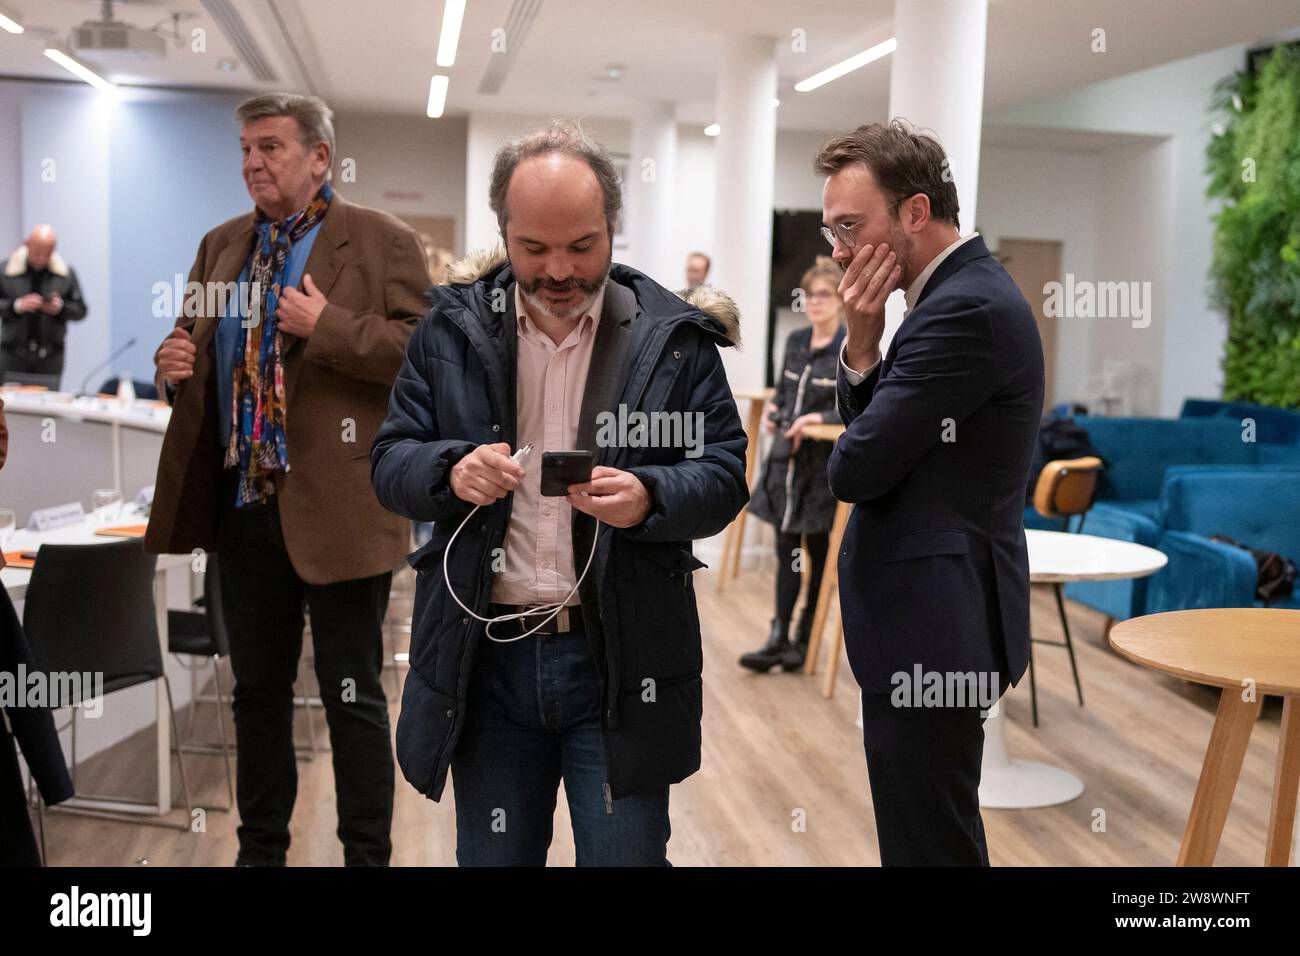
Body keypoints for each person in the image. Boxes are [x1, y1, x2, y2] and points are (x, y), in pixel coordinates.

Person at [371, 119, 748, 867]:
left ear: (613, 227)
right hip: (488, 662)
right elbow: (389, 463)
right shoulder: (448, 331)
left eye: (582, 247)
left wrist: (650, 495)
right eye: (533, 249)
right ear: (503, 233)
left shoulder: (672, 338)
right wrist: (449, 471)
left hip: (621, 658)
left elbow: (725, 474)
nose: (558, 271)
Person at [143, 92, 429, 866]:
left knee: (353, 699)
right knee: (256, 698)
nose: (251, 164)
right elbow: (190, 342)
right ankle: (259, 853)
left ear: (319, 157)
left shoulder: (381, 242)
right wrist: (173, 367)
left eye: (269, 147)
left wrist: (325, 327)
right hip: (244, 509)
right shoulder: (219, 246)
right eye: (243, 149)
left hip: (342, 510)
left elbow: (424, 355)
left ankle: (366, 856)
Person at [821, 120, 1043, 866]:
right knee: (934, 835)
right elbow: (878, 445)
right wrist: (862, 345)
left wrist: (861, 342)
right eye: (832, 232)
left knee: (929, 846)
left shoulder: (962, 309)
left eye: (851, 227)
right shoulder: (945, 299)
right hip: (931, 621)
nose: (840, 251)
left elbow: (855, 468)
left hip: (937, 625)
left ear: (915, 212)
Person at [740, 255, 845, 672]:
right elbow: (784, 394)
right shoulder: (795, 342)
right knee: (786, 548)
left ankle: (804, 639)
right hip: (785, 464)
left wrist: (817, 418)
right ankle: (778, 635)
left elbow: (858, 410)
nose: (815, 302)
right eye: (810, 295)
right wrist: (774, 411)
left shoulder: (849, 350)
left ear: (839, 300)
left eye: (825, 294)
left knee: (817, 553)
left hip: (822, 471)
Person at [0, 226, 88, 388]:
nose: (41, 258)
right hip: (12, 354)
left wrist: (60, 308)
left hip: (50, 356)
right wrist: (16, 306)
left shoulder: (65, 274)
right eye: (37, 253)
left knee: (48, 406)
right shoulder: (5, 270)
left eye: (46, 254)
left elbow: (81, 310)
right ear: (26, 244)